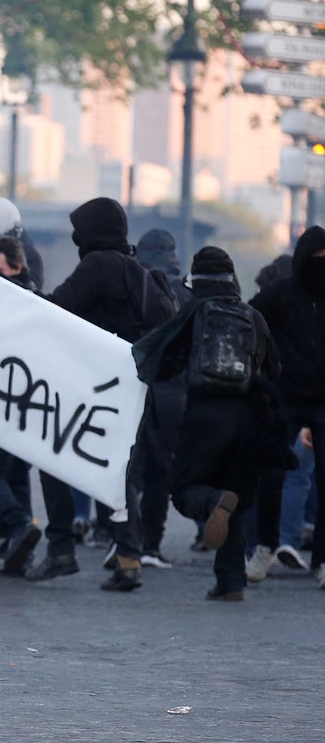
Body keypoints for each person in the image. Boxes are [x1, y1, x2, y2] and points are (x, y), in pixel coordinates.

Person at [25, 197, 175, 591]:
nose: (77, 237)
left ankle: (60, 550)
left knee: (51, 453)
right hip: (131, 387)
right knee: (117, 470)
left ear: (93, 231)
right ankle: (128, 555)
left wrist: (21, 294)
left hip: (95, 384)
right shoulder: (136, 269)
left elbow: (60, 308)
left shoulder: (99, 264)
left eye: (81, 230)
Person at [133, 246, 283, 600]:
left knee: (186, 490)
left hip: (203, 415)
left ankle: (214, 501)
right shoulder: (252, 315)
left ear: (196, 279)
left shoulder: (193, 312)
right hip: (247, 419)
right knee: (238, 501)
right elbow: (275, 369)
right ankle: (231, 582)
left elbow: (155, 356)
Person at [247, 226, 325, 587]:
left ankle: (321, 559)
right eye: (316, 261)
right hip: (284, 399)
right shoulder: (280, 295)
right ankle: (265, 546)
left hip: (321, 402)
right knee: (270, 477)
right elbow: (249, 322)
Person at [0, 236, 42, 575]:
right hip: (17, 401)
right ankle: (21, 549)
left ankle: (19, 526)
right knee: (14, 475)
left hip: (10, 401)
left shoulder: (24, 304)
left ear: (17, 267)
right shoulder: (27, 300)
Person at [132, 228, 191, 568]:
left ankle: (122, 536)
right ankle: (151, 544)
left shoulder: (133, 284)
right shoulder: (185, 292)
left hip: (134, 384)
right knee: (159, 471)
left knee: (128, 466)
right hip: (174, 391)